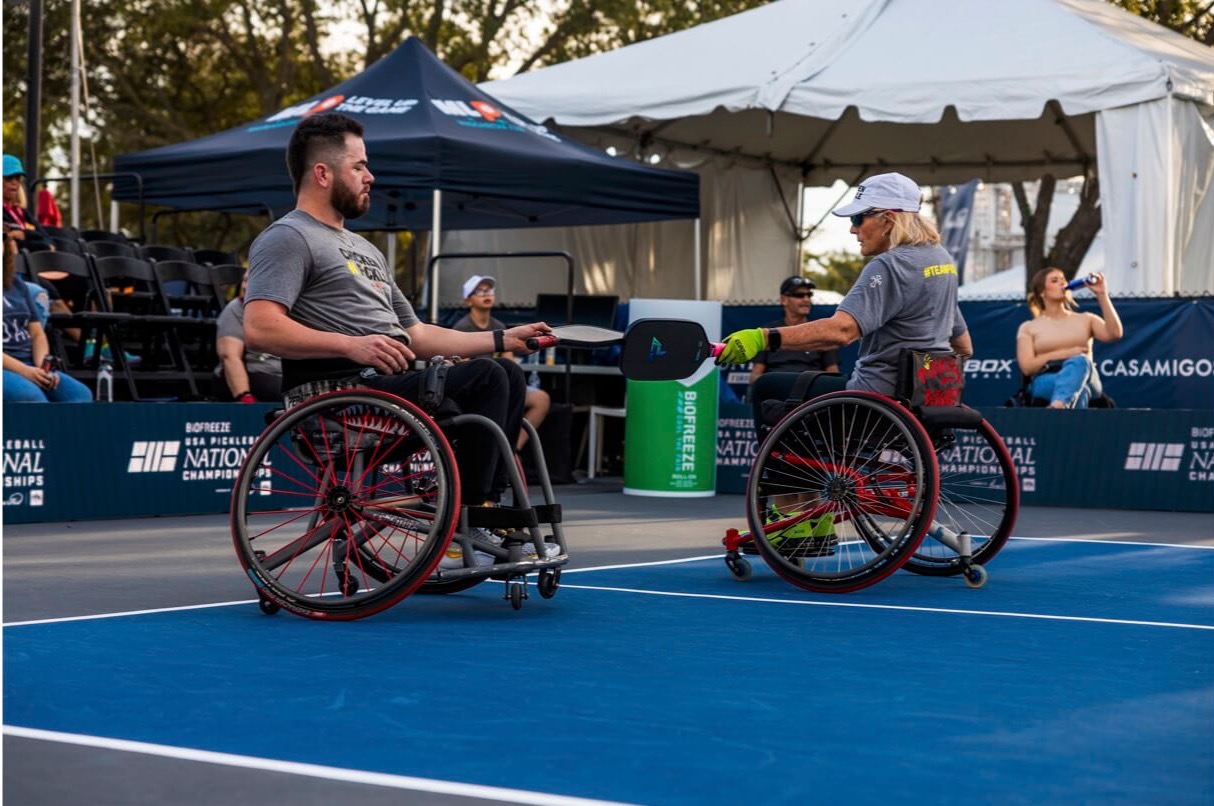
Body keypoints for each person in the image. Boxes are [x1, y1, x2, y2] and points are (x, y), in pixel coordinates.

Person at [243, 112, 552, 526]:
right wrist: (352, 344)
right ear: (322, 173)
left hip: (386, 385)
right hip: (339, 395)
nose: (370, 176)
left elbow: (417, 334)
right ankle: (471, 515)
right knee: (490, 378)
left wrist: (504, 339)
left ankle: (486, 508)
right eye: (358, 166)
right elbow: (259, 326)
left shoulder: (366, 249)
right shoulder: (288, 237)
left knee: (506, 374)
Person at [716, 172, 972, 552]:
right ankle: (811, 513)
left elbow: (841, 332)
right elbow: (963, 344)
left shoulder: (888, 266)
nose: (853, 230)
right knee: (805, 388)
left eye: (858, 219)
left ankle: (793, 517)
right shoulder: (942, 261)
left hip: (872, 403)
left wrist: (763, 337)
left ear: (888, 218)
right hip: (923, 403)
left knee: (769, 388)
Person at [450, 274, 551, 450]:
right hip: (479, 387)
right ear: (468, 301)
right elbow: (461, 366)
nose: (486, 294)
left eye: (488, 290)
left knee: (541, 399)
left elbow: (510, 362)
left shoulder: (499, 325)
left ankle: (513, 449)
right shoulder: (461, 328)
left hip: (501, 383)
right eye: (479, 291)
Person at [2, 233, 92, 402]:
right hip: (6, 367)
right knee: (32, 398)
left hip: (30, 363)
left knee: (80, 395)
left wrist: (43, 369)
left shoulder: (16, 283)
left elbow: (37, 334)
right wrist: (25, 371)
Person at [1015, 267, 1122, 408]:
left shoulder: (1086, 319)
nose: (1062, 283)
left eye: (1063, 279)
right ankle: (1067, 416)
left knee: (1080, 361)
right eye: (1055, 280)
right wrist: (1065, 354)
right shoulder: (1029, 327)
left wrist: (1102, 294)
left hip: (1087, 377)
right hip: (1048, 378)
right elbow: (1027, 367)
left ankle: (1059, 405)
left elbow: (1114, 334)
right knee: (1081, 392)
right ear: (1042, 292)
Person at [748, 275, 840, 428]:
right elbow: (755, 375)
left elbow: (833, 373)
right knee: (761, 385)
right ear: (784, 300)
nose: (806, 299)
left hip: (811, 397)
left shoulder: (822, 333)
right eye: (799, 295)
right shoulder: (768, 333)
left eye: (809, 295)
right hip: (777, 397)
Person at [215, 269, 283, 402]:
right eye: (245, 281)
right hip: (255, 374)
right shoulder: (235, 309)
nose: (245, 286)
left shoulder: (281, 308)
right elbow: (229, 356)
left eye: (251, 281)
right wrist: (244, 395)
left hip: (282, 373)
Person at [3, 155, 54, 252]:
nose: (14, 182)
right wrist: (35, 239)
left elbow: (48, 241)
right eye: (8, 178)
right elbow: (9, 244)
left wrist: (24, 234)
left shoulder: (22, 212)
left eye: (17, 178)